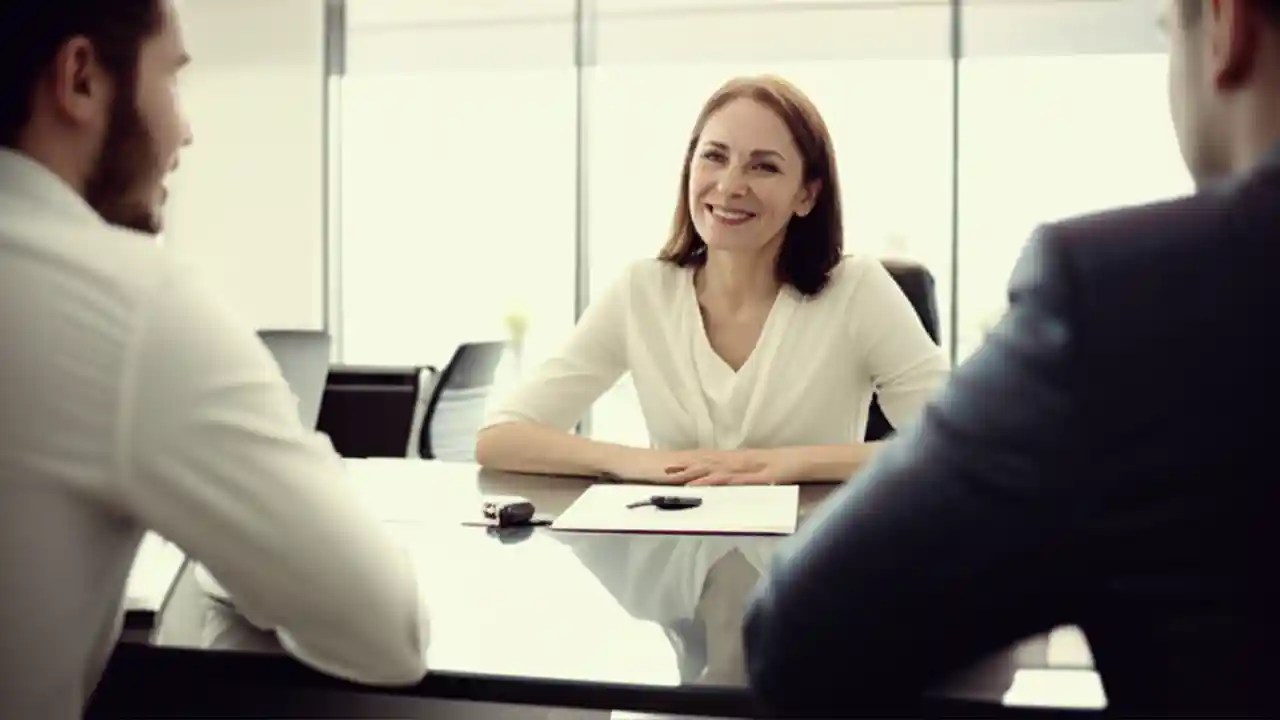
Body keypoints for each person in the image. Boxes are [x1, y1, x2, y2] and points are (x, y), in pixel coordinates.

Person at [742, 0, 1280, 715]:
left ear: (1225, 24)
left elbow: (801, 635)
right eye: (712, 156)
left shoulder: (1120, 298)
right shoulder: (645, 287)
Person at [0, 1, 429, 716]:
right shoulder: (128, 299)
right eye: (171, 81)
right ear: (80, 78)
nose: (184, 130)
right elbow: (386, 630)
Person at [476, 75, 948, 486]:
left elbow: (957, 440)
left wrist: (792, 464)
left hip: (813, 568)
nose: (729, 186)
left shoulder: (856, 289)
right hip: (675, 572)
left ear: (806, 194)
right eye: (714, 157)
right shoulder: (642, 292)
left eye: (764, 166)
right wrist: (636, 463)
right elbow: (500, 438)